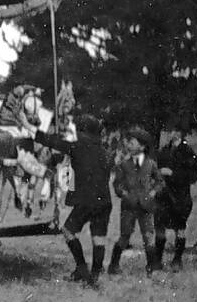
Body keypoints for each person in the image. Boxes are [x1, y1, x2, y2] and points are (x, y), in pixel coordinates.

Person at [35, 114, 114, 284]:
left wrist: (35, 131)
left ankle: (81, 268)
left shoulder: (79, 144)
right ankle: (94, 276)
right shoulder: (103, 148)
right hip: (104, 199)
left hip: (86, 200)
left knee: (68, 231)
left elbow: (52, 142)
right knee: (98, 238)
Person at [110, 127, 165, 275]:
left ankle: (151, 266)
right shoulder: (124, 164)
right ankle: (113, 265)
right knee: (125, 235)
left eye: (132, 143)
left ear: (142, 146)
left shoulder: (151, 164)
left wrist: (153, 192)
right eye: (128, 143)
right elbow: (117, 185)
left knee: (148, 236)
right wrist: (124, 193)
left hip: (146, 206)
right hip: (129, 206)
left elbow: (160, 181)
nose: (128, 145)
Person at [156, 127, 197, 270]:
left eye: (174, 130)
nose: (171, 133)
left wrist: (173, 174)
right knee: (160, 226)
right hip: (164, 195)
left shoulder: (188, 152)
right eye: (169, 130)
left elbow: (193, 177)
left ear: (180, 133)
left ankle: (177, 259)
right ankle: (157, 260)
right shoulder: (164, 151)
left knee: (180, 228)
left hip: (181, 196)